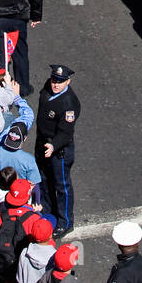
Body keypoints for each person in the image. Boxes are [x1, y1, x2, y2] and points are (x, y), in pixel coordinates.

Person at [35, 64, 80, 239]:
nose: (55, 85)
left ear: (68, 81)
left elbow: (66, 132)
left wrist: (53, 145)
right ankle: (47, 213)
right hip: (42, 144)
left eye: (60, 82)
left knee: (62, 187)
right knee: (44, 181)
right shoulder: (48, 88)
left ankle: (65, 222)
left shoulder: (69, 103)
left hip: (58, 150)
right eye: (54, 80)